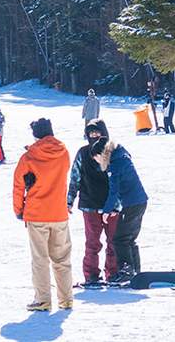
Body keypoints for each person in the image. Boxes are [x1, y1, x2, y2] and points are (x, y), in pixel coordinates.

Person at [13, 118, 73, 312]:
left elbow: (18, 185)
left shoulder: (29, 157)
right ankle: (66, 299)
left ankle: (43, 300)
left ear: (36, 135)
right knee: (62, 259)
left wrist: (18, 210)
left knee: (40, 259)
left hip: (37, 213)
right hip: (59, 212)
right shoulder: (63, 153)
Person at [67, 120, 117, 286]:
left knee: (113, 241)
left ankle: (113, 272)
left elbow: (121, 178)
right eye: (91, 133)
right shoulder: (83, 153)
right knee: (92, 243)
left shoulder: (113, 150)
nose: (94, 136)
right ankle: (91, 275)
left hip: (111, 205)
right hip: (90, 204)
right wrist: (69, 200)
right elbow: (75, 177)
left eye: (97, 132)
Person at [92, 138, 149, 284]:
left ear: (101, 154)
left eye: (96, 158)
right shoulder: (121, 156)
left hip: (132, 204)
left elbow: (114, 191)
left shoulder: (115, 164)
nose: (97, 162)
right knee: (129, 238)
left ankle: (126, 271)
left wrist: (107, 210)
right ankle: (136, 271)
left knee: (120, 239)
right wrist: (114, 208)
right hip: (139, 202)